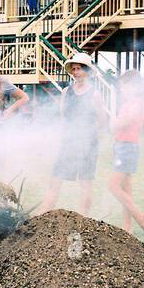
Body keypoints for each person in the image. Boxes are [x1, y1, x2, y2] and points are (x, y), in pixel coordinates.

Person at [35, 52, 107, 217]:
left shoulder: (94, 94)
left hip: (87, 144)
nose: (75, 72)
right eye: (73, 69)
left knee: (85, 183)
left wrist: (92, 139)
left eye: (79, 69)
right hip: (68, 142)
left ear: (87, 71)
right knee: (55, 180)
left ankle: (82, 220)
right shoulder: (66, 91)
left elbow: (102, 121)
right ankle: (41, 215)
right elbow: (62, 116)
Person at [107, 70, 144, 235]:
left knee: (113, 186)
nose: (122, 89)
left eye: (125, 86)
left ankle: (141, 216)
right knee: (126, 191)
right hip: (121, 146)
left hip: (127, 147)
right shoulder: (127, 104)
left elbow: (126, 121)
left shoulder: (137, 103)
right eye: (121, 86)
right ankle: (128, 228)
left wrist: (114, 124)